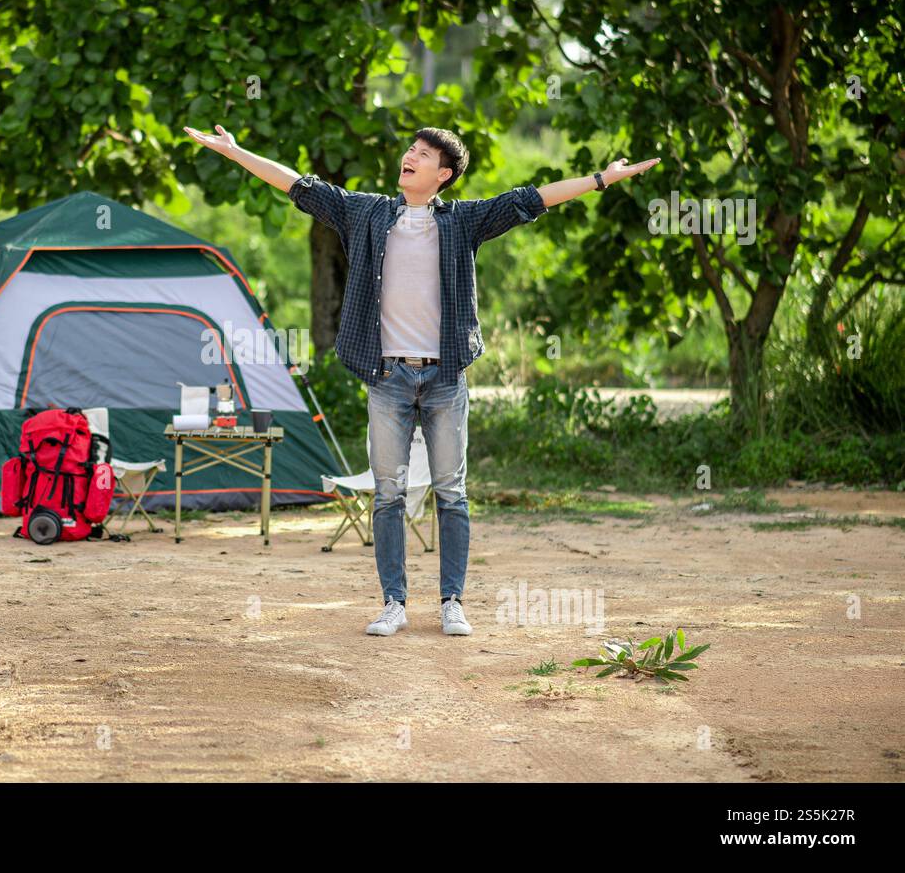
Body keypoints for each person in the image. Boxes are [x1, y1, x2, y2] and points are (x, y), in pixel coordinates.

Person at [184, 123, 658, 636]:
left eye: (424, 153)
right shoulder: (365, 212)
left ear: (444, 174)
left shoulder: (464, 221)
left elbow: (530, 199)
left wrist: (601, 179)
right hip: (386, 376)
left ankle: (452, 601)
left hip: (444, 378)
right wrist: (235, 154)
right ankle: (394, 603)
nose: (410, 155)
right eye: (411, 149)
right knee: (388, 494)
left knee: (451, 492)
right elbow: (300, 185)